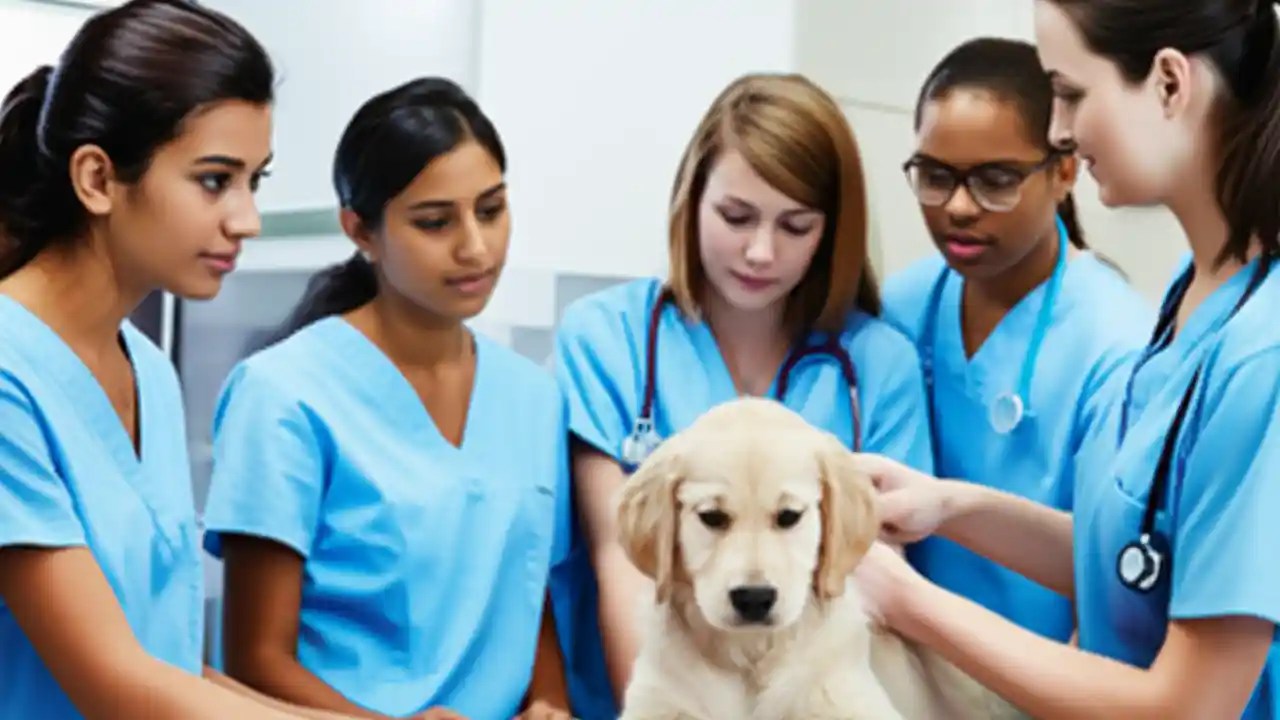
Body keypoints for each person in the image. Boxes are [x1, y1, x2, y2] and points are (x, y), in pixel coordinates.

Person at [854, 1, 1280, 718]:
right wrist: (951, 507)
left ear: (1170, 83)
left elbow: (1188, 705)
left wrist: (905, 601)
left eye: (1071, 94)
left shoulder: (1261, 354)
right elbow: (1135, 563)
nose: (1058, 131)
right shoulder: (1196, 293)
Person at [0, 1, 364, 719]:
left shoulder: (148, 368)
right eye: (214, 180)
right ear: (97, 179)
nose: (247, 220)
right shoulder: (10, 375)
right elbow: (118, 685)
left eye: (255, 181)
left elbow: (167, 666)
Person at [200, 77, 577, 720]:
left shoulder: (535, 397)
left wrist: (549, 700)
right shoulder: (283, 396)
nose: (476, 247)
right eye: (435, 222)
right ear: (361, 231)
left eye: (491, 210)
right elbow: (256, 661)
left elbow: (525, 589)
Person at [553, 72, 934, 704]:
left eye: (796, 226)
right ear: (691, 199)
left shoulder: (878, 364)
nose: (760, 251)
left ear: (832, 230)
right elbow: (621, 560)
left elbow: (874, 583)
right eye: (736, 217)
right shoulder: (608, 339)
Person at [881, 37, 1153, 644]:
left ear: (1064, 172)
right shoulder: (900, 309)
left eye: (996, 180)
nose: (958, 207)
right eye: (935, 177)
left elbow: (1120, 580)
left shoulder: (1118, 346)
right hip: (905, 667)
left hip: (1044, 675)